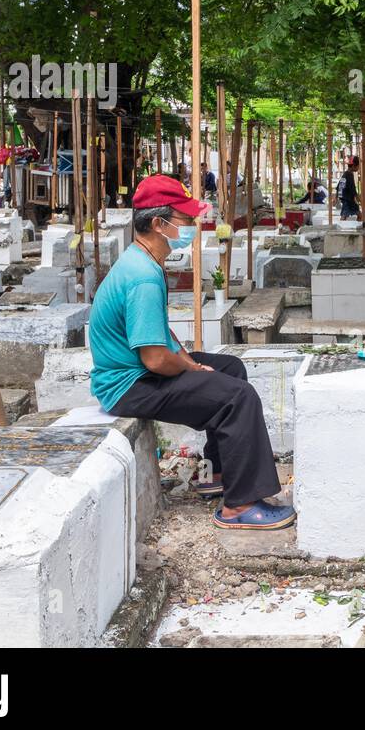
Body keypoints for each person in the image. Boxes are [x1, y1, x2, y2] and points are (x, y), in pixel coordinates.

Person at [88, 175, 293, 530]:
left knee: (229, 368)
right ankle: (239, 506)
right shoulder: (142, 277)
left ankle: (217, 471)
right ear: (158, 224)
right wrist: (192, 371)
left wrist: (190, 361)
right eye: (186, 220)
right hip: (129, 384)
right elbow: (154, 359)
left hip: (139, 371)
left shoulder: (142, 261)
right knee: (237, 398)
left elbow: (158, 333)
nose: (194, 227)